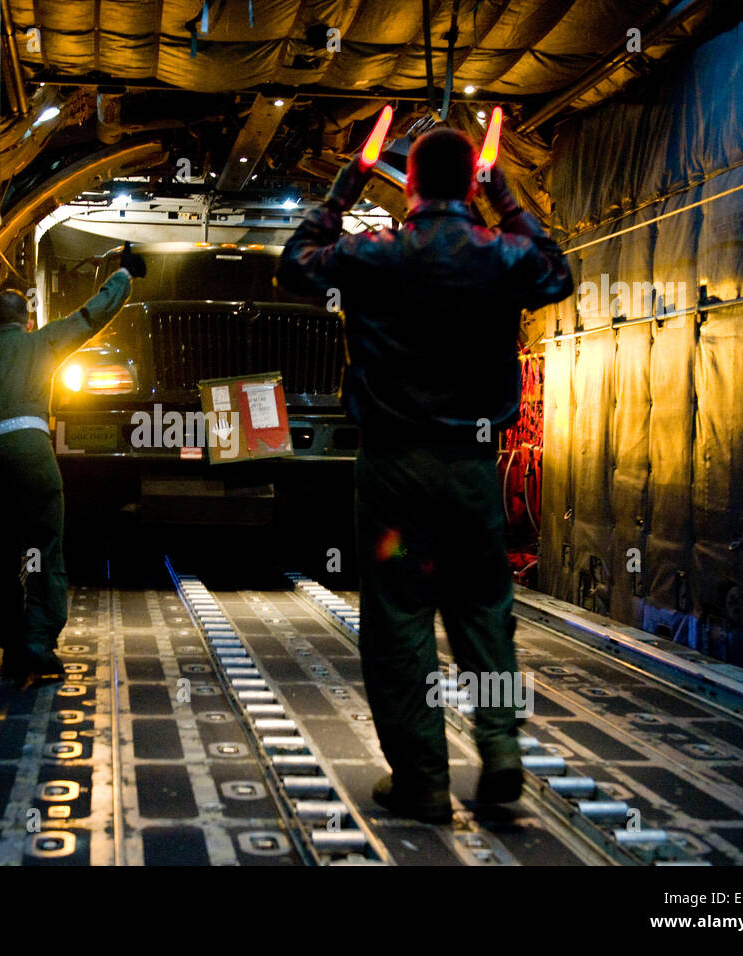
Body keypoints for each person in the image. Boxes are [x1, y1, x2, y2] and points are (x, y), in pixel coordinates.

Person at [276, 125, 573, 822]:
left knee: (400, 618)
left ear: (406, 186)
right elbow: (556, 274)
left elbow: (295, 265)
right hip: (471, 471)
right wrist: (507, 200)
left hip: (392, 473)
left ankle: (421, 779)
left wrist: (348, 183)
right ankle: (500, 746)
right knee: (484, 614)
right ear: (474, 184)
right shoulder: (504, 255)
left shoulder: (374, 253)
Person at [0, 244, 147, 682]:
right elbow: (91, 316)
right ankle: (39, 641)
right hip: (30, 456)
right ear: (28, 321)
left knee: (0, 555)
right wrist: (124, 276)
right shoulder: (43, 343)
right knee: (43, 546)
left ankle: (9, 642)